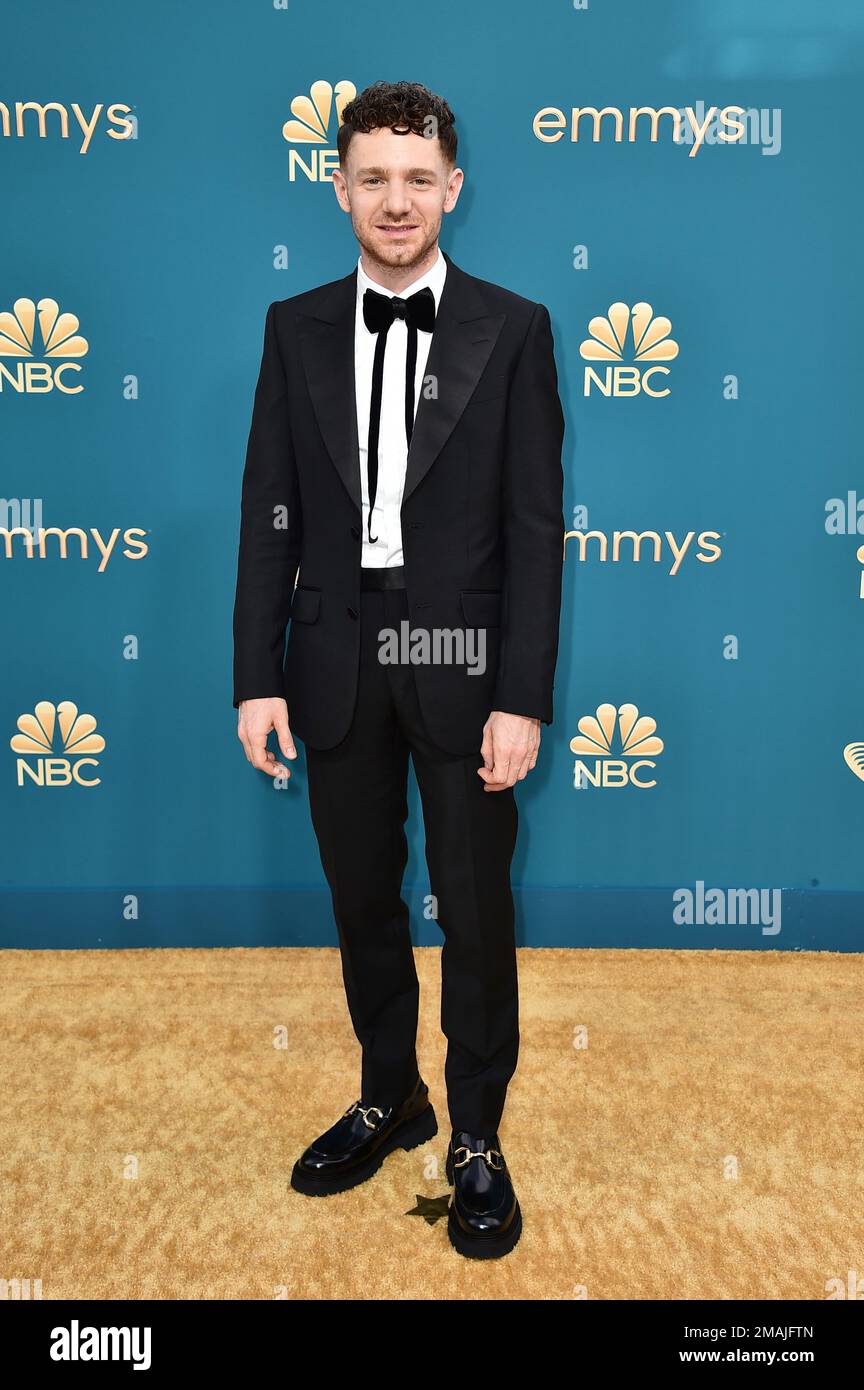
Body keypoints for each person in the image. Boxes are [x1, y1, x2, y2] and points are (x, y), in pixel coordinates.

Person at [233, 80, 565, 1260]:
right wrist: (254, 673)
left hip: (466, 662)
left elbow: (536, 528)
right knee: (363, 899)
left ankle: (474, 1131)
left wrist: (522, 693)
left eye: (418, 178)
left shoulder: (514, 327)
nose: (396, 198)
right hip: (333, 654)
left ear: (453, 190)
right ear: (339, 186)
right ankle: (394, 1095)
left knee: (475, 910)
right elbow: (267, 508)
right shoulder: (293, 324)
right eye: (372, 176)